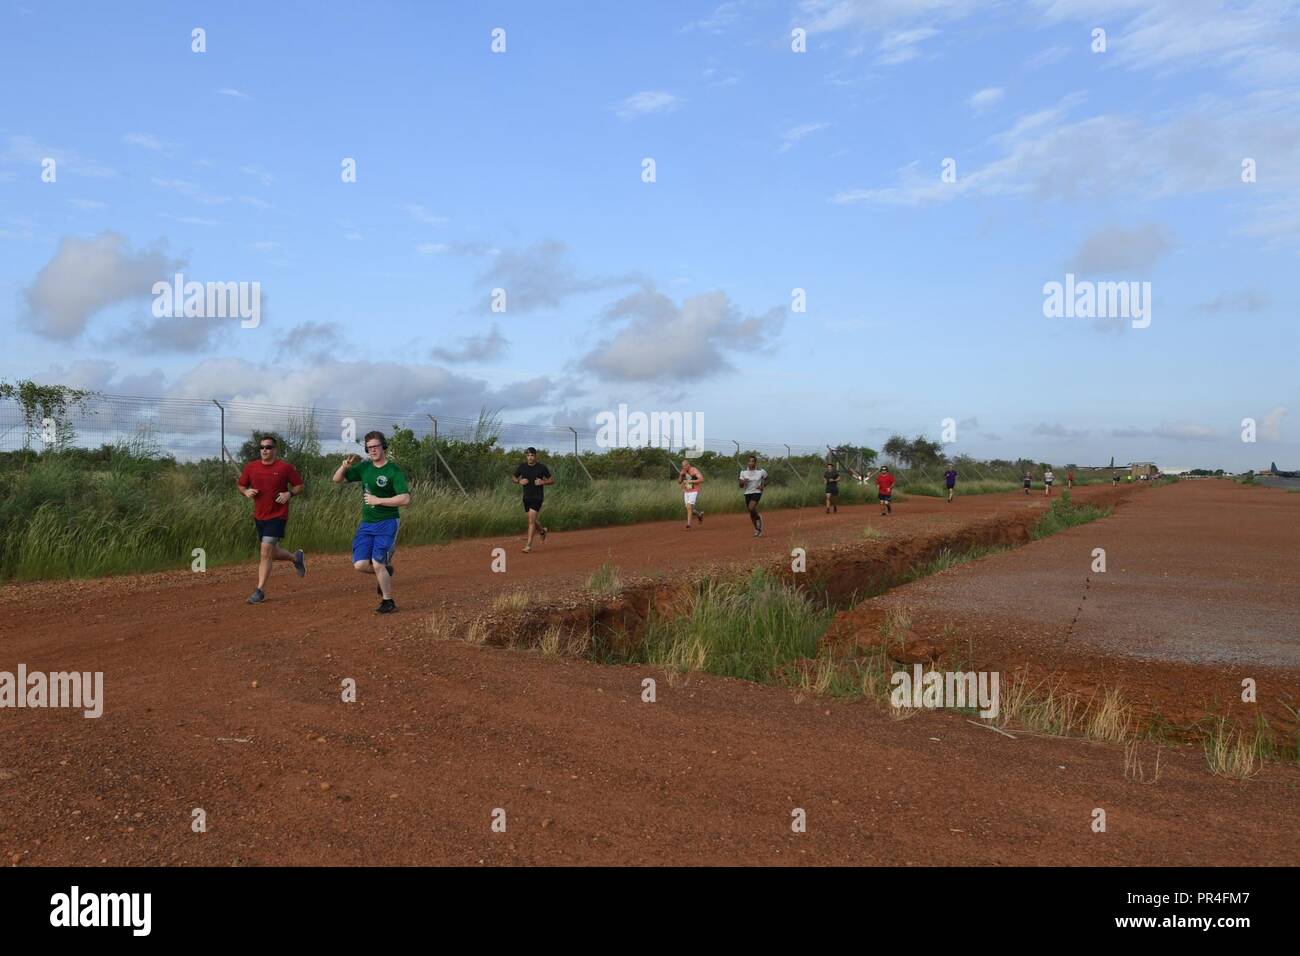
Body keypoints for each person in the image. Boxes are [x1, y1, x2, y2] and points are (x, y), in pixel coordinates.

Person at [333, 430, 410, 614]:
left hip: (388, 522)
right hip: (367, 523)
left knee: (377, 563)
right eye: (369, 448)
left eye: (376, 446)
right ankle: (386, 571)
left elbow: (406, 499)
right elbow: (337, 480)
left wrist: (379, 500)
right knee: (359, 565)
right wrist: (344, 466)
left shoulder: (393, 470)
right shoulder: (365, 468)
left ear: (383, 446)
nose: (373, 450)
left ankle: (388, 602)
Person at [237, 435, 306, 605]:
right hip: (260, 516)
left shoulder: (284, 467)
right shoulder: (251, 467)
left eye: (268, 447)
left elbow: (299, 485)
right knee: (271, 552)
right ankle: (296, 558)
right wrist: (245, 492)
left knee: (265, 550)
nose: (264, 450)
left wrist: (289, 493)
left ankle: (259, 591)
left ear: (275, 449)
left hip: (278, 515)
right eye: (261, 447)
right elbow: (241, 485)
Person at [512, 447, 554, 553]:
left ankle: (528, 546)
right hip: (526, 497)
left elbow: (552, 480)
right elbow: (513, 477)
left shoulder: (542, 468)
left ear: (535, 456)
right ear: (526, 456)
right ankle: (542, 531)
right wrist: (518, 481)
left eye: (532, 455)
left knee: (530, 521)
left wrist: (543, 482)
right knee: (533, 520)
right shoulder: (522, 467)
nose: (530, 458)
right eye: (528, 455)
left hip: (537, 497)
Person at [737, 455, 768, 536]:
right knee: (751, 512)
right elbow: (740, 485)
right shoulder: (743, 472)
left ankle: (758, 518)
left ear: (755, 463)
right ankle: (757, 529)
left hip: (757, 492)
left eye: (752, 461)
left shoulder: (761, 471)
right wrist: (743, 481)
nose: (750, 463)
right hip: (747, 493)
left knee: (751, 507)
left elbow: (767, 479)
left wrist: (762, 486)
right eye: (749, 461)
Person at [678, 459, 705, 529]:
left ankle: (688, 525)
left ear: (688, 465)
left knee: (689, 507)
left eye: (685, 466)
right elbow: (679, 482)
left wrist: (690, 481)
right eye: (683, 466)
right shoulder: (683, 472)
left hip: (694, 491)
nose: (684, 467)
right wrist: (681, 475)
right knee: (689, 509)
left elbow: (701, 479)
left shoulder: (694, 470)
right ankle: (699, 515)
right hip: (686, 491)